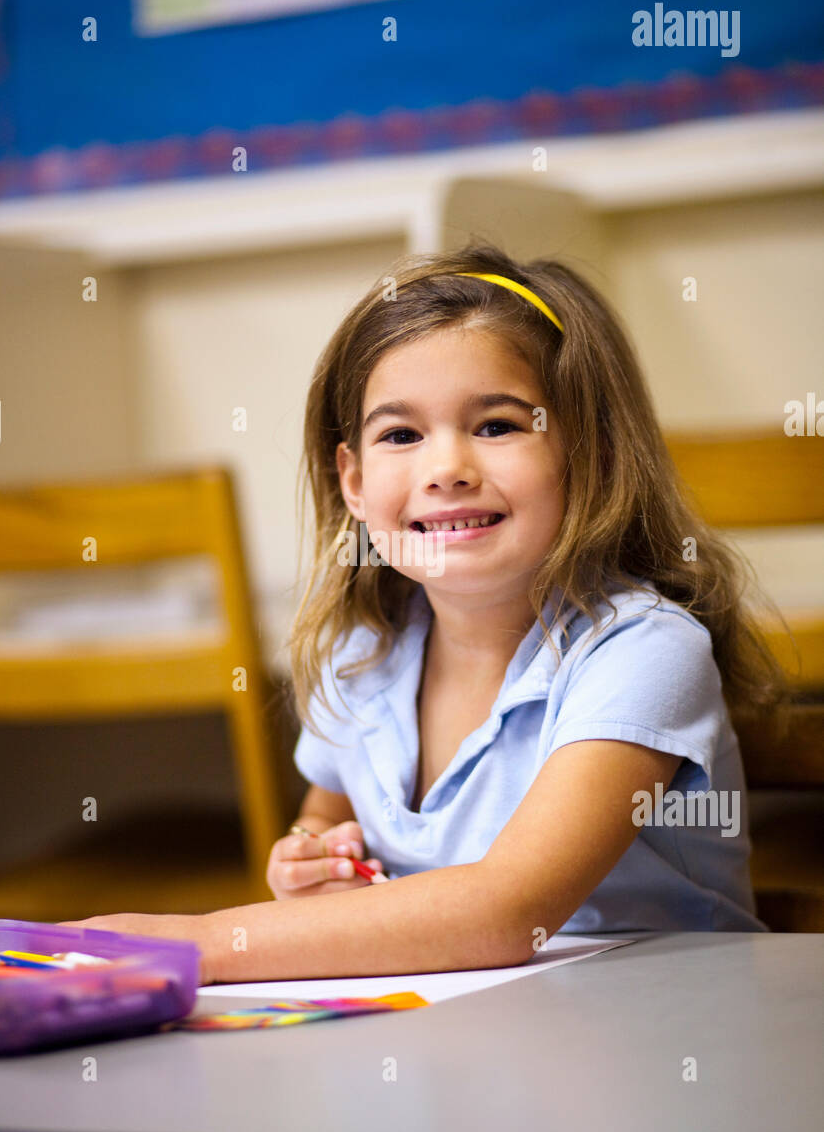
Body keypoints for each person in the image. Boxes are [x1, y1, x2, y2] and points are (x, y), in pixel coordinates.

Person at [63, 240, 786, 983]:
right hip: (465, 1039)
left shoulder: (642, 652)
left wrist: (205, 944)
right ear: (352, 480)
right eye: (401, 435)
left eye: (498, 425)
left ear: (591, 452)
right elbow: (325, 816)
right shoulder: (361, 651)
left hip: (659, 1041)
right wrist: (313, 864)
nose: (446, 471)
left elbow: (508, 909)